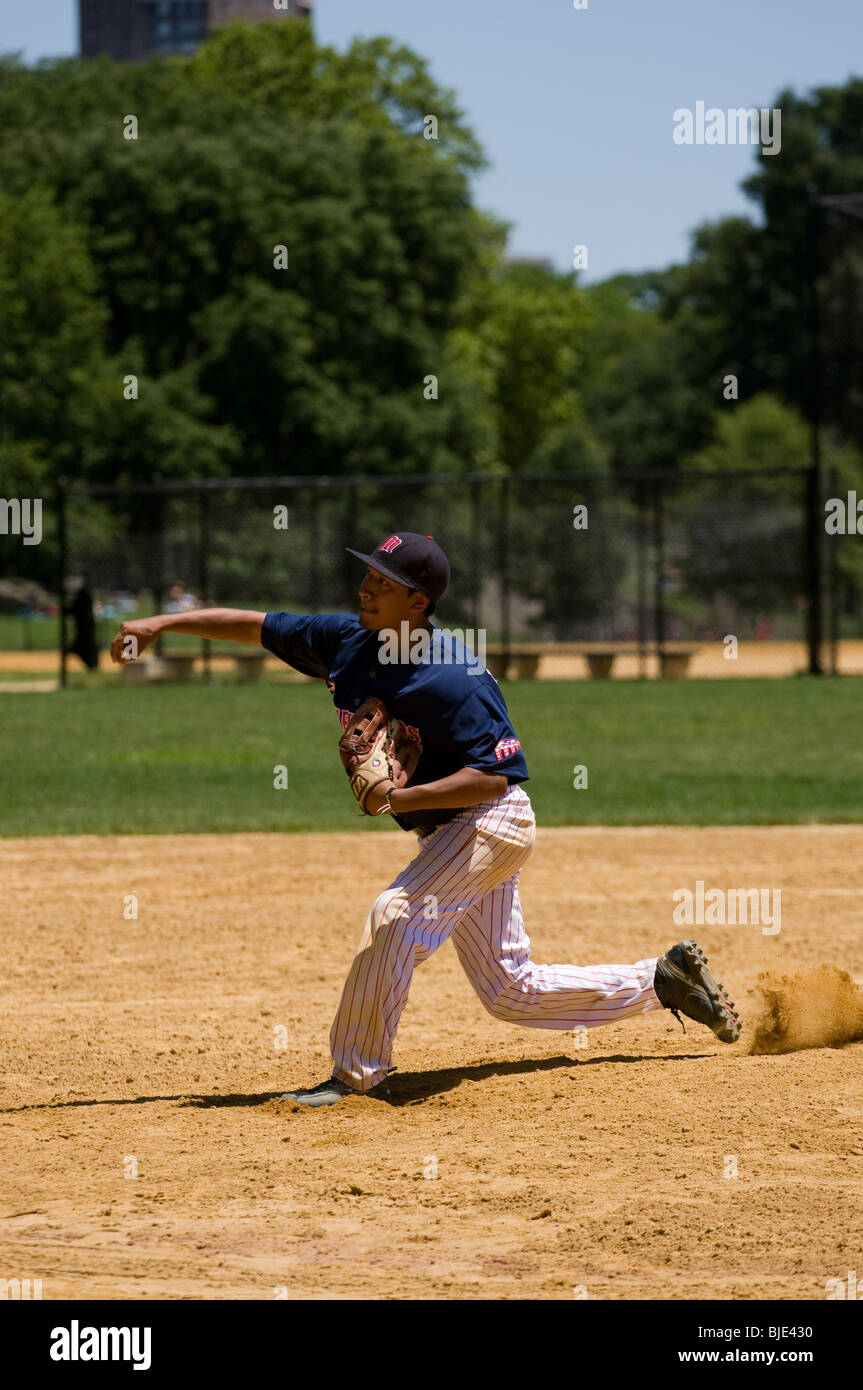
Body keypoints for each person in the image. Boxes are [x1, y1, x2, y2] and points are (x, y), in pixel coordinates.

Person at [110, 531, 741, 1108]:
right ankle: (662, 980)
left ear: (415, 602)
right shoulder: (346, 641)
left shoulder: (452, 675)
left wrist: (398, 798)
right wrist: (161, 622)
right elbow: (256, 626)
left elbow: (499, 772)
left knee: (394, 916)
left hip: (491, 821)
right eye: (367, 575)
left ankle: (354, 1076)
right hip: (452, 831)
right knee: (509, 992)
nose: (365, 587)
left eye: (382, 582)